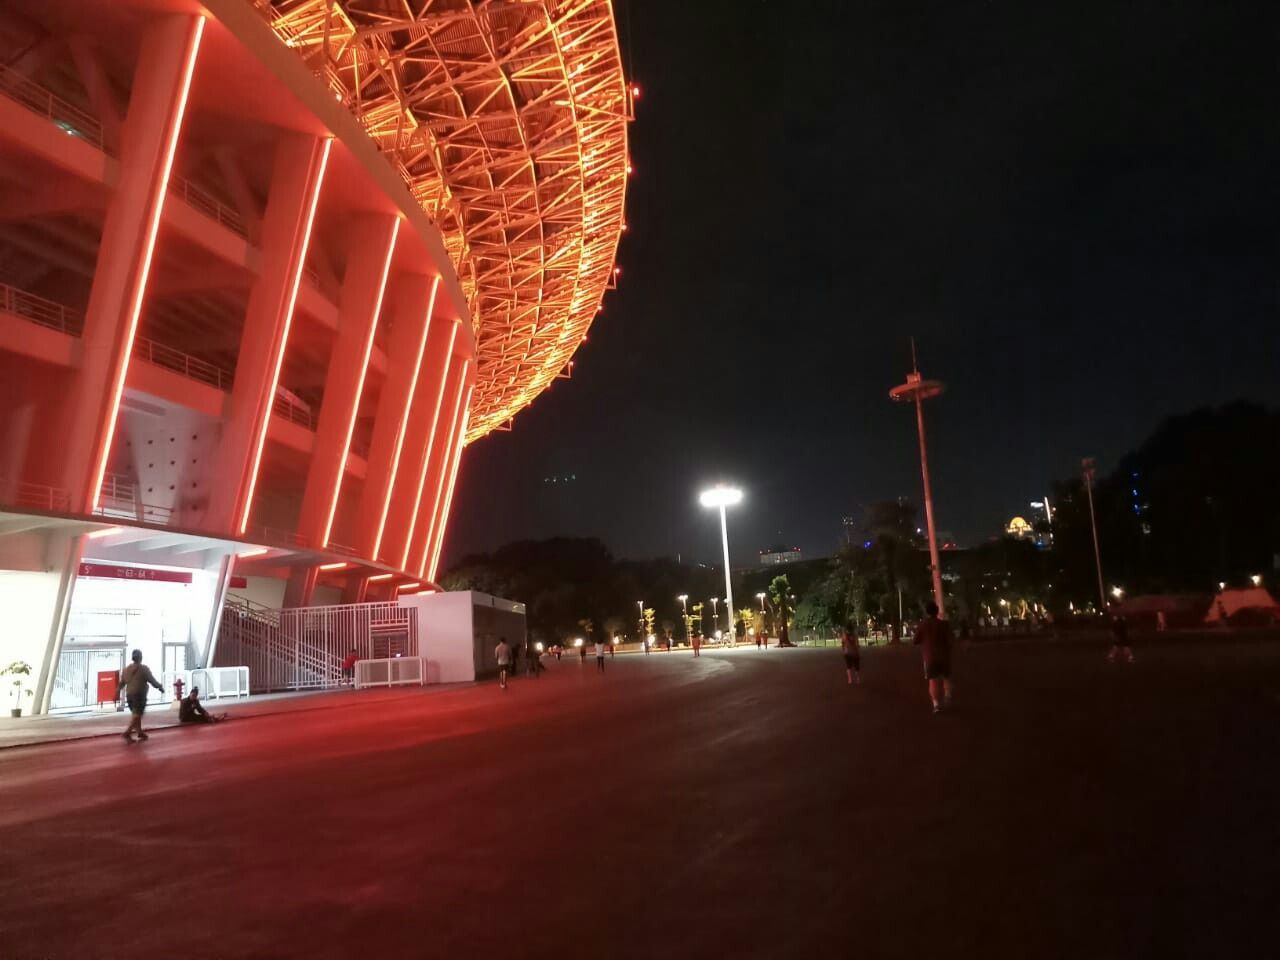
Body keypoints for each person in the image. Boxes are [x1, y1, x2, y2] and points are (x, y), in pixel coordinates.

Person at [912, 601, 953, 714]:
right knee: (946, 677)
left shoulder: (923, 625)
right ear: (937, 611)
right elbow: (950, 640)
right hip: (944, 656)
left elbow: (915, 641)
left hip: (929, 657)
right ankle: (948, 695)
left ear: (926, 612)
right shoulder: (944, 625)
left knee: (932, 681)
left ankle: (936, 704)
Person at [118, 648, 164, 742]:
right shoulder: (144, 669)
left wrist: (116, 692)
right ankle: (128, 732)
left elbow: (122, 683)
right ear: (140, 658)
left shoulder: (126, 669)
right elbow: (152, 680)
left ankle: (139, 732)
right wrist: (159, 687)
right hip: (139, 695)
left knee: (136, 714)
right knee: (137, 714)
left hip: (129, 695)